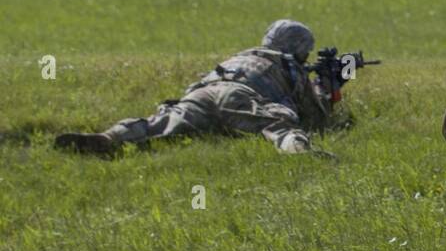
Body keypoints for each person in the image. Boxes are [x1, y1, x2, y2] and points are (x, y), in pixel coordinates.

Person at [54, 19, 337, 156]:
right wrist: (327, 88)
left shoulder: (241, 56)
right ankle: (300, 153)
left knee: (157, 123)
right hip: (240, 98)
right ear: (297, 48)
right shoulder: (288, 65)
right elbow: (317, 117)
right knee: (279, 126)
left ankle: (109, 138)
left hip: (202, 92)